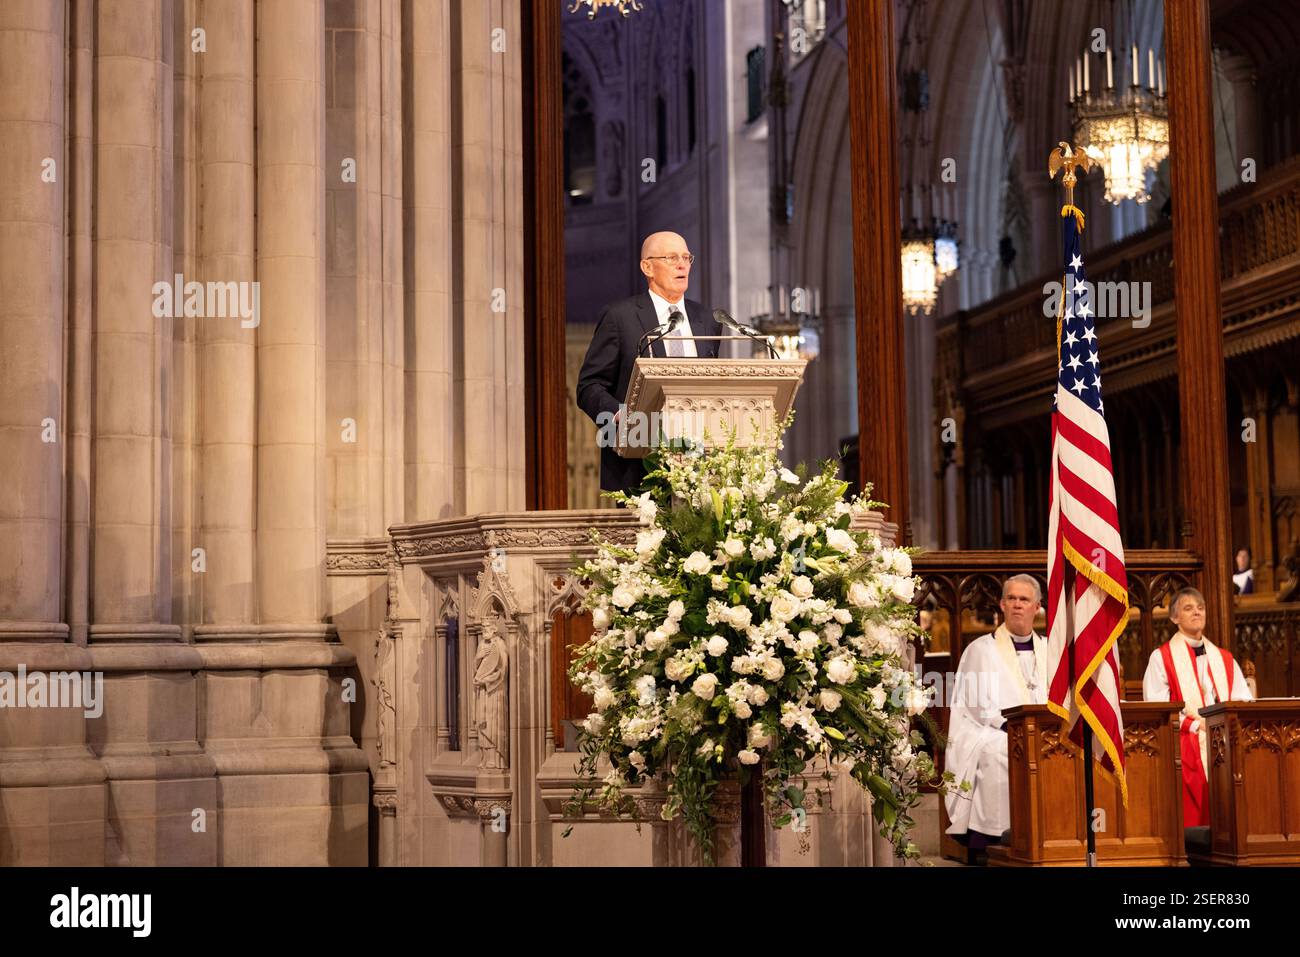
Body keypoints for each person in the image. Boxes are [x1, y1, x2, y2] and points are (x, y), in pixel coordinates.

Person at [576, 231, 721, 494]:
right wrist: (621, 415)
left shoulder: (707, 319)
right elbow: (589, 386)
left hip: (700, 464)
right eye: (672, 258)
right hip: (637, 467)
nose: (682, 265)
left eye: (687, 258)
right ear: (647, 267)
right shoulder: (620, 317)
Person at [944, 574, 1048, 861]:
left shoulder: (1050, 649)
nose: (1017, 605)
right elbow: (977, 704)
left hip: (1042, 729)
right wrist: (1012, 727)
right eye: (1011, 599)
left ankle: (1055, 832)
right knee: (1001, 752)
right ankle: (993, 837)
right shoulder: (980, 649)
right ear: (1002, 605)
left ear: (1036, 607)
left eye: (1024, 599)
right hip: (990, 730)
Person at [1142, 587, 1253, 827]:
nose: (1196, 613)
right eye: (1188, 608)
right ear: (1174, 618)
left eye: (1200, 608)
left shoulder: (1224, 658)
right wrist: (1197, 727)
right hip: (1187, 734)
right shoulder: (1161, 658)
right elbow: (1159, 710)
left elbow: (1242, 702)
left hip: (1224, 734)